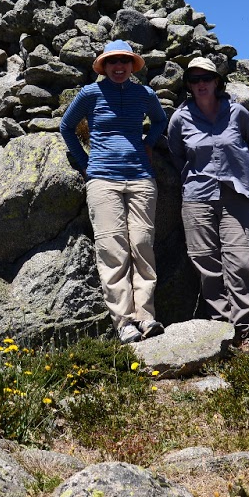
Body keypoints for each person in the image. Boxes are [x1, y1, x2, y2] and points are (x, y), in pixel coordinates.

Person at [59, 39, 169, 344]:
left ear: (131, 65)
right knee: (113, 250)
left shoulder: (144, 94)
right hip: (103, 180)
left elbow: (160, 120)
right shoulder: (90, 94)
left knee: (142, 245)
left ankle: (146, 318)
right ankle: (124, 322)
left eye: (124, 62)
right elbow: (66, 127)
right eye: (112, 62)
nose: (118, 67)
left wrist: (148, 143)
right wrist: (84, 162)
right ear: (104, 66)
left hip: (141, 179)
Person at [167, 56, 249, 349]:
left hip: (236, 196)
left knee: (243, 260)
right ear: (188, 85)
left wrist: (241, 172)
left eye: (205, 78)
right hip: (197, 196)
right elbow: (177, 153)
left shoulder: (237, 113)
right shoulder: (180, 118)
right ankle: (221, 334)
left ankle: (246, 332)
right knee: (207, 265)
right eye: (194, 80)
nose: (200, 84)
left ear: (217, 81)